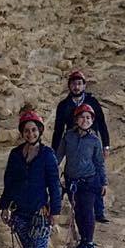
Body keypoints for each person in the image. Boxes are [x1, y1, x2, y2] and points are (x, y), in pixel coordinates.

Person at [0, 108, 64, 248]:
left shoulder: (47, 155)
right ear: (22, 132)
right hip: (20, 211)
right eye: (26, 130)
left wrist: (56, 211)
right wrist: (5, 206)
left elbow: (54, 184)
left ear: (40, 130)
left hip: (39, 212)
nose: (30, 134)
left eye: (34, 130)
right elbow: (9, 181)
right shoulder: (16, 154)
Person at [51, 71, 111, 223]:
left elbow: (102, 123)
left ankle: (99, 211)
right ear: (69, 85)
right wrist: (54, 151)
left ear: (84, 85)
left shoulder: (92, 101)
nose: (76, 87)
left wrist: (106, 144)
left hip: (91, 141)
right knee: (72, 172)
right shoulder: (64, 105)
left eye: (79, 84)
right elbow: (58, 129)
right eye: (73, 84)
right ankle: (69, 205)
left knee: (95, 174)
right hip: (72, 141)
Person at [60, 102, 106, 248]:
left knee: (87, 211)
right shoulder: (68, 137)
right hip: (72, 181)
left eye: (88, 118)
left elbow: (99, 163)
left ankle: (89, 241)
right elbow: (59, 156)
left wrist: (103, 182)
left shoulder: (94, 141)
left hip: (89, 181)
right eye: (82, 117)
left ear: (92, 121)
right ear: (76, 120)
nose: (85, 120)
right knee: (78, 210)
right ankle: (83, 239)